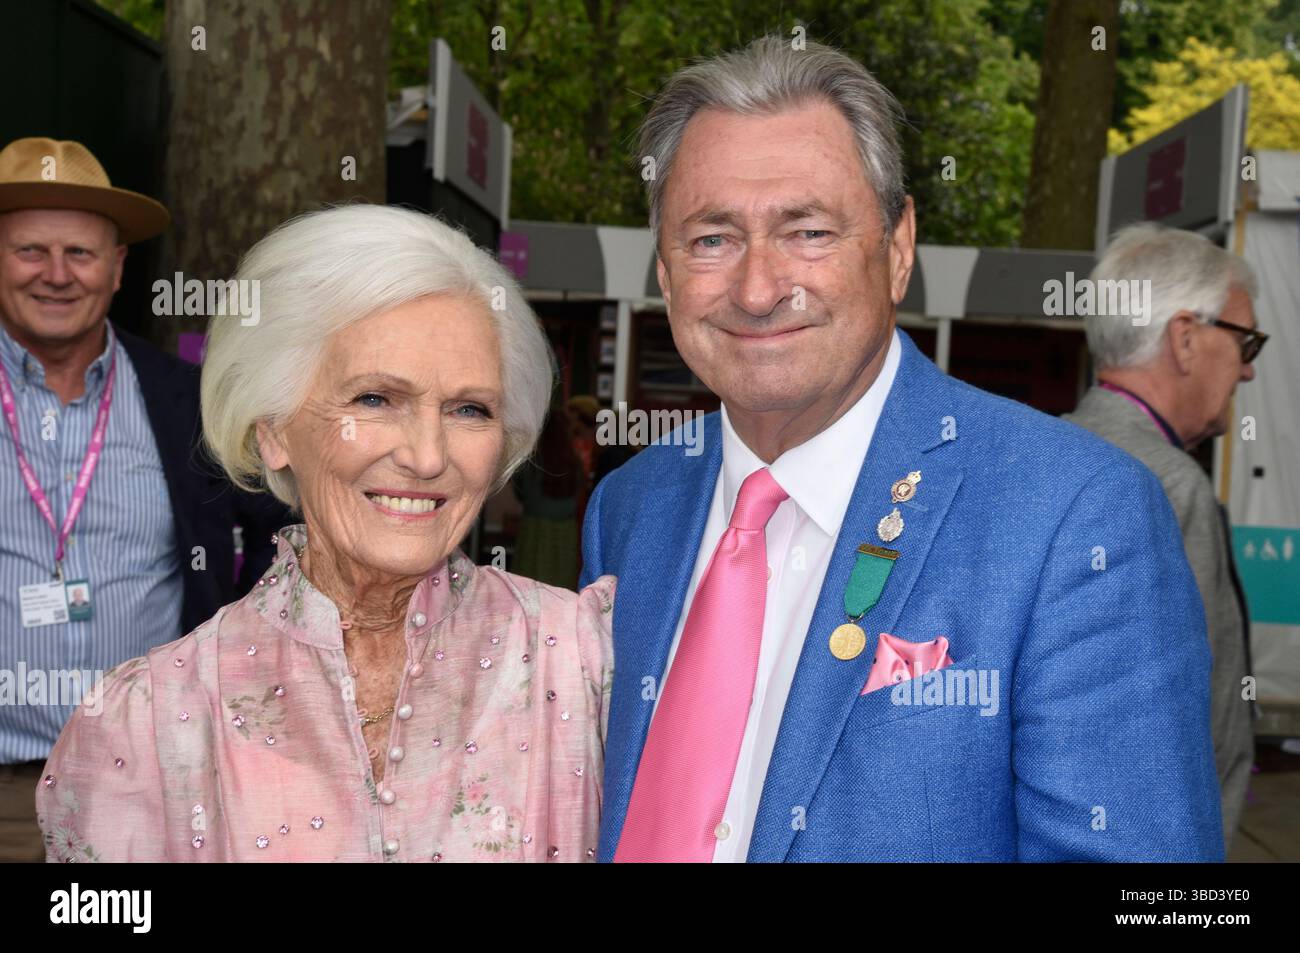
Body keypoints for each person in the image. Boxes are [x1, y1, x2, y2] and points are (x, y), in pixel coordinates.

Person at [581, 36, 1222, 862]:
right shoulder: (631, 507)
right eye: (711, 240)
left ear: (897, 247)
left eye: (808, 231)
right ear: (665, 274)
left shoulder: (1077, 514)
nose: (758, 288)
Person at [35, 205, 615, 862]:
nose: (427, 456)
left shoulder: (588, 665)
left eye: (468, 408)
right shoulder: (147, 722)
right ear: (274, 429)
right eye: (375, 398)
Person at [0, 137, 284, 862]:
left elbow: (286, 530)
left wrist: (230, 657)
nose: (57, 275)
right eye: (31, 250)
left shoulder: (186, 403)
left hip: (148, 794)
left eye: (82, 254)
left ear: (119, 266)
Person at [1064, 222, 1263, 854]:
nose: (1248, 373)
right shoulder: (1170, 487)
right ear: (1184, 338)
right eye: (1245, 343)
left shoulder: (1039, 456)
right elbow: (1183, 730)